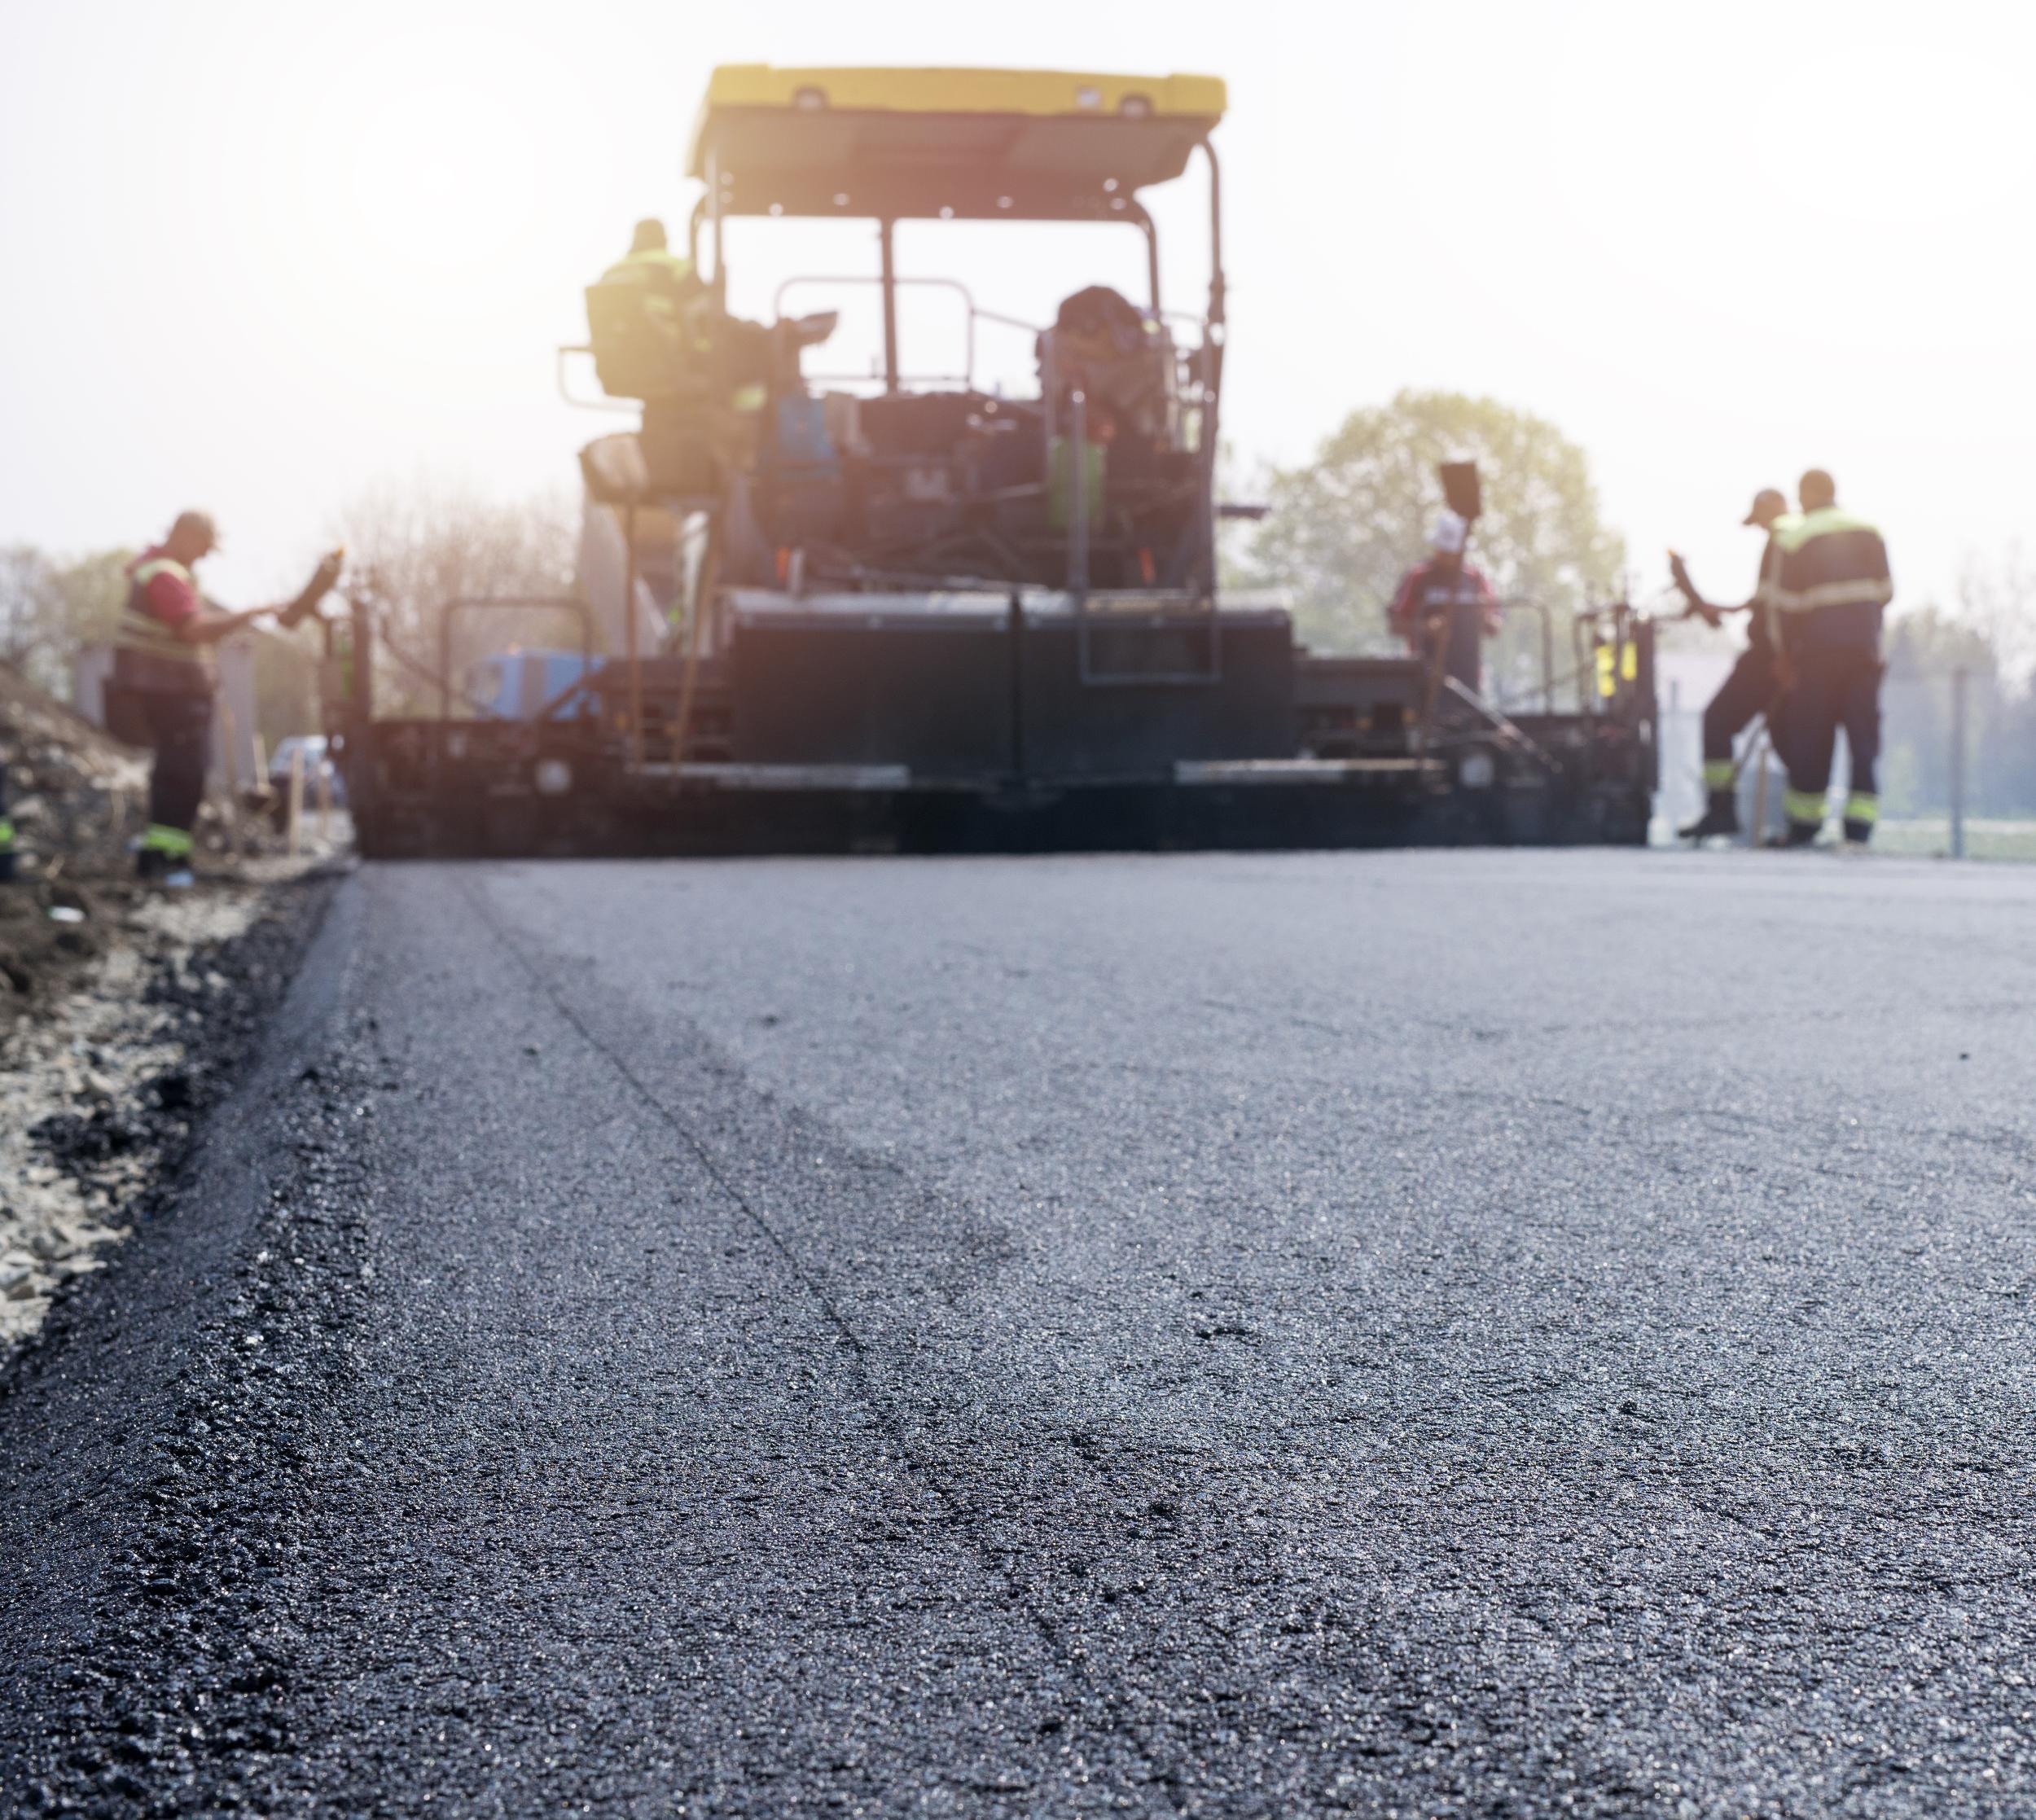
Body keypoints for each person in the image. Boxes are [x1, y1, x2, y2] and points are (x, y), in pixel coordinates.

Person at [115, 511, 339, 885]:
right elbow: (193, 629)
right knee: (182, 774)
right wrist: (253, 612)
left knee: (179, 772)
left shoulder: (158, 570)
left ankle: (166, 856)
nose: (203, 556)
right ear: (186, 536)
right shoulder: (165, 574)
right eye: (203, 547)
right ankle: (166, 862)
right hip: (172, 692)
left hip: (171, 692)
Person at [1765, 469, 1893, 846]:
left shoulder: (1793, 536)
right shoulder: (1870, 530)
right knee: (1863, 741)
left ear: (1805, 494)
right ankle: (1859, 828)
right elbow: (1885, 592)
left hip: (1817, 657)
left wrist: (1783, 655)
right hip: (1864, 654)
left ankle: (1805, 826)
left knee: (1811, 740)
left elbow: (1781, 607)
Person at [1674, 487, 1793, 840]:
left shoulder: (1783, 541)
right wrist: (1723, 609)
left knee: (1718, 720)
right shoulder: (1785, 543)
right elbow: (1763, 601)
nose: (1759, 528)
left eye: (1760, 519)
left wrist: (1781, 653)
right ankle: (1802, 824)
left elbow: (1779, 607)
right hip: (1778, 653)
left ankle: (1722, 810)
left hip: (1770, 657)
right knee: (1787, 736)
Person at [1389, 511, 1500, 695]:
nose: (1449, 557)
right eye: (1444, 551)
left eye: (1453, 552)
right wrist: (1425, 628)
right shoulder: (1418, 577)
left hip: (1468, 680)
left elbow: (1494, 627)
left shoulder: (1476, 579)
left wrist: (1484, 616)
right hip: (1424, 678)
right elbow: (1395, 624)